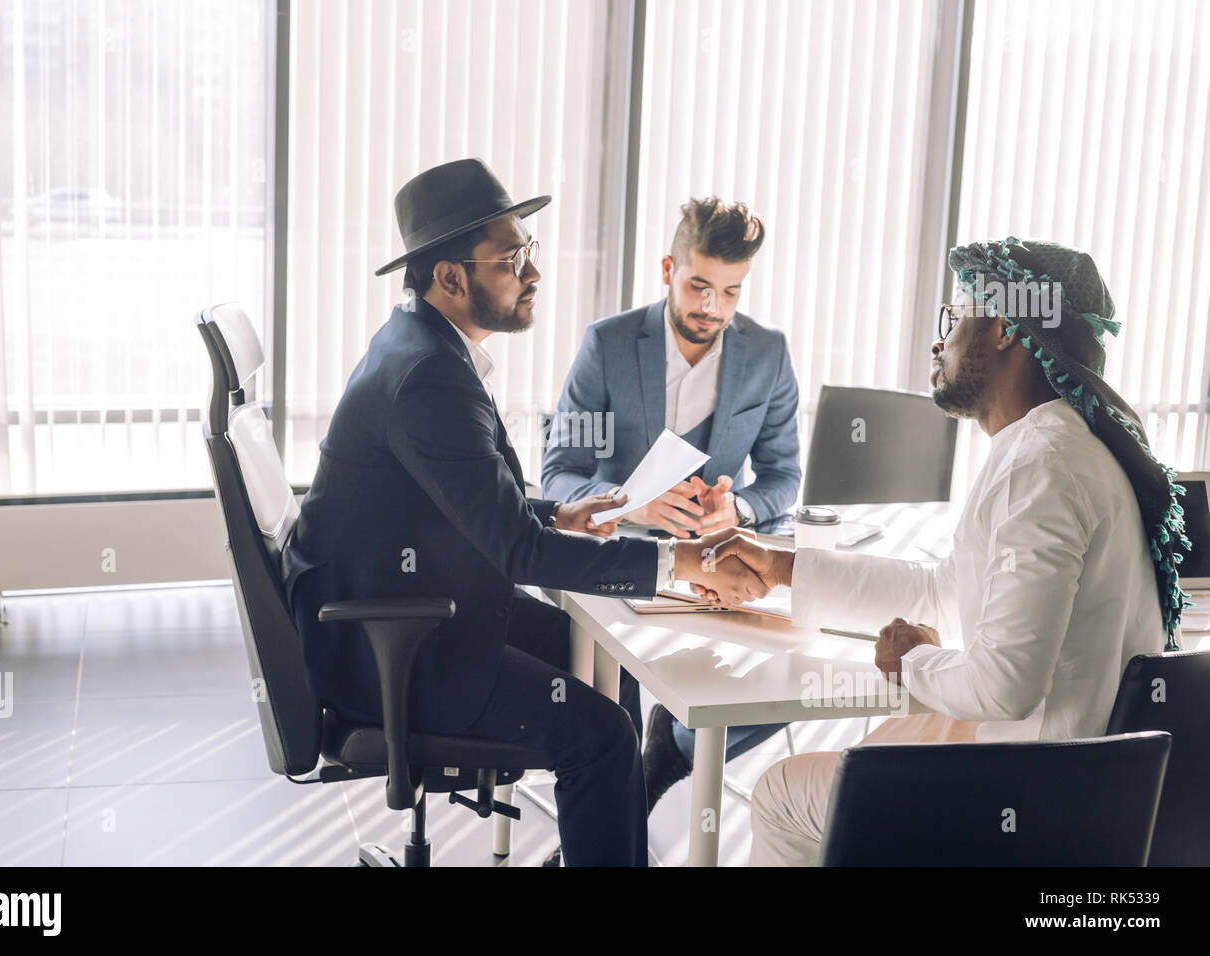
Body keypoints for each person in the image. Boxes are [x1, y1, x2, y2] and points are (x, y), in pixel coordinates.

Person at [278, 158, 766, 867]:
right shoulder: (428, 380)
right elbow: (518, 554)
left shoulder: (425, 345)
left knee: (610, 666)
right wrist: (679, 563)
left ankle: (606, 849)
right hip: (398, 652)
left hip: (415, 606)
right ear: (451, 276)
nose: (533, 272)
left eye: (529, 251)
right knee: (598, 734)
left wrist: (559, 514)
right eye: (513, 258)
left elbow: (469, 499)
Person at [696, 238, 1190, 865]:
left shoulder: (1039, 468)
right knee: (884, 744)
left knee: (782, 791)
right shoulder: (1057, 446)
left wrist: (916, 659)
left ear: (1007, 327)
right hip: (1084, 782)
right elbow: (943, 593)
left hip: (1033, 795)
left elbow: (1006, 686)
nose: (940, 341)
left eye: (955, 319)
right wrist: (786, 568)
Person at [541, 197, 801, 811]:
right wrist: (632, 504)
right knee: (614, 713)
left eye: (732, 293)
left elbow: (784, 476)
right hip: (616, 562)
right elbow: (558, 476)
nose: (712, 308)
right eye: (699, 286)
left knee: (789, 677)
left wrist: (736, 511)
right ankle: (611, 824)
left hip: (716, 562)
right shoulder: (607, 346)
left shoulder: (766, 355)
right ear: (667, 269)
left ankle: (672, 754)